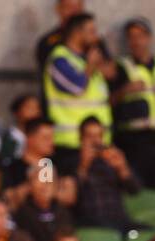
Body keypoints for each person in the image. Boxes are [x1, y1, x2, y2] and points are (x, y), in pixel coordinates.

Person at [110, 17, 155, 194]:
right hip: (133, 140)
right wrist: (124, 91)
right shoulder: (121, 67)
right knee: (137, 190)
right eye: (132, 37)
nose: (136, 42)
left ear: (149, 38)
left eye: (140, 36)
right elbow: (107, 102)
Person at [42, 11, 112, 174]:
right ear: (77, 33)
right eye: (91, 31)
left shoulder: (89, 59)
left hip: (99, 141)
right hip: (71, 143)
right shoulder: (59, 59)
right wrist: (90, 66)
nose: (96, 36)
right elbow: (76, 87)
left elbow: (112, 74)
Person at [74, 117, 142, 231]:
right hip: (91, 223)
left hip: (119, 220)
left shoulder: (110, 160)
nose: (96, 142)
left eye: (99, 136)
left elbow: (135, 190)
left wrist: (122, 168)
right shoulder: (72, 162)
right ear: (81, 139)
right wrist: (83, 166)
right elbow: (72, 196)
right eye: (90, 137)